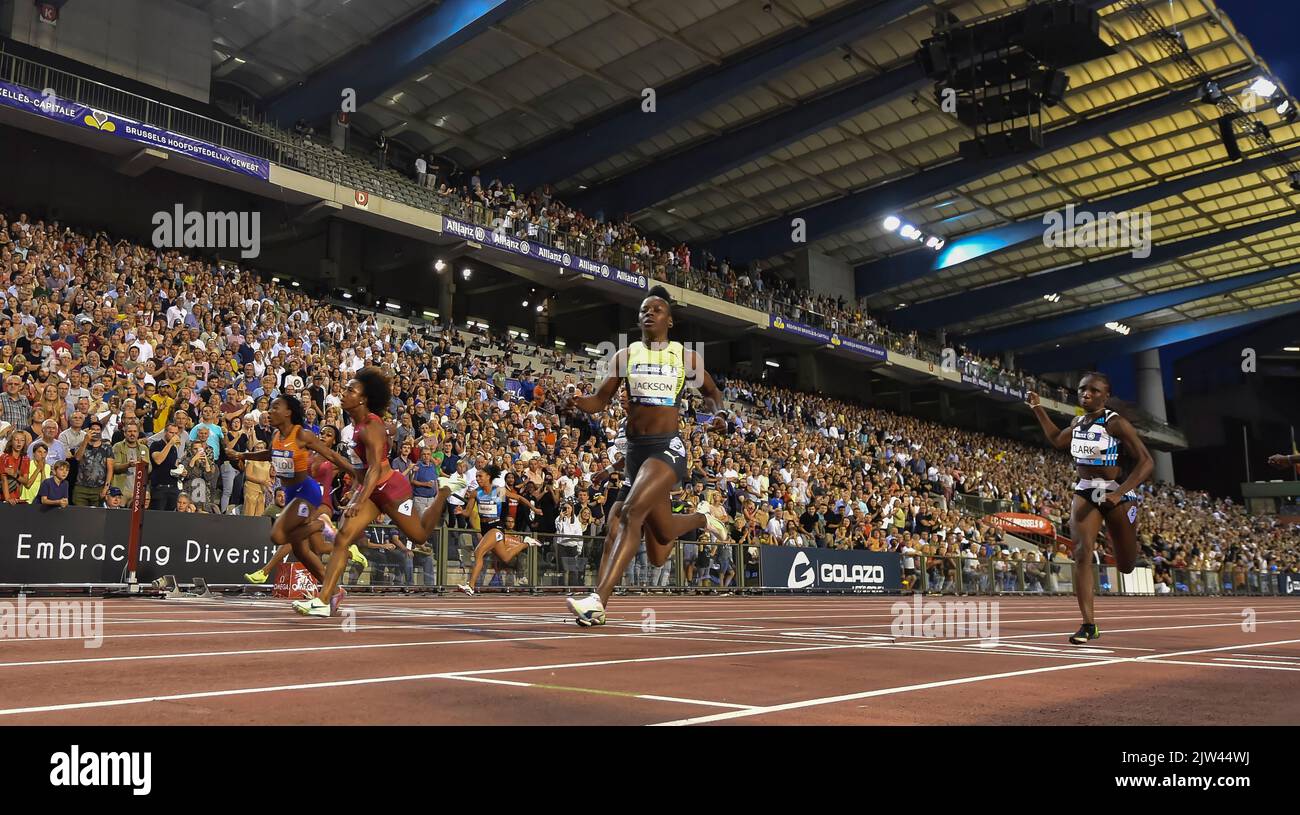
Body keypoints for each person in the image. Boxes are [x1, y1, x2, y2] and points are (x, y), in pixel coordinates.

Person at [563, 287, 730, 627]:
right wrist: (579, 403)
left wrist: (718, 415)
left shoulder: (684, 357)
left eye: (656, 309)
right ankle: (700, 520)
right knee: (656, 546)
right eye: (643, 309)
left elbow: (713, 393)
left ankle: (598, 602)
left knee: (627, 512)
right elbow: (600, 400)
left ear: (670, 320)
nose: (648, 313)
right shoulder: (625, 356)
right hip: (636, 454)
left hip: (666, 448)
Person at [293, 368, 462, 617]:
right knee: (341, 539)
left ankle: (444, 492)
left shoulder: (369, 425)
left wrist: (358, 499)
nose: (344, 392)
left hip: (391, 490)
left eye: (351, 390)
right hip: (372, 490)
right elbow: (371, 457)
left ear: (362, 399)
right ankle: (323, 600)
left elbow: (374, 468)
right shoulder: (357, 424)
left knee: (419, 536)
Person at [1027, 372, 1153, 644]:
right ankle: (1088, 625)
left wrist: (1119, 494)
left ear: (1106, 395)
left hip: (1116, 492)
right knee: (1082, 553)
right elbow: (1056, 440)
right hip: (1085, 490)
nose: (1087, 394)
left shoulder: (1115, 423)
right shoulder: (1078, 422)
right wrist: (1037, 408)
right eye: (1083, 389)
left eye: (1094, 390)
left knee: (1126, 565)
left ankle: (1125, 543)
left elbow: (1146, 462)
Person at [236, 396, 355, 594]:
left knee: (278, 535)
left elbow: (332, 455)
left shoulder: (302, 435)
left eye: (275, 407)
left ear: (288, 412)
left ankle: (321, 524)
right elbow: (269, 454)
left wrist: (356, 474)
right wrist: (244, 455)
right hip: (291, 494)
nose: (269, 412)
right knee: (302, 552)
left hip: (306, 492)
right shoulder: (276, 435)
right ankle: (333, 592)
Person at [459, 514, 543, 595]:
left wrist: (534, 508)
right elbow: (467, 512)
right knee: (505, 557)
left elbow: (519, 498)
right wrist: (462, 512)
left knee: (478, 553)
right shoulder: (474, 500)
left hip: (495, 528)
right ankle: (527, 543)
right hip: (487, 529)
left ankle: (470, 586)